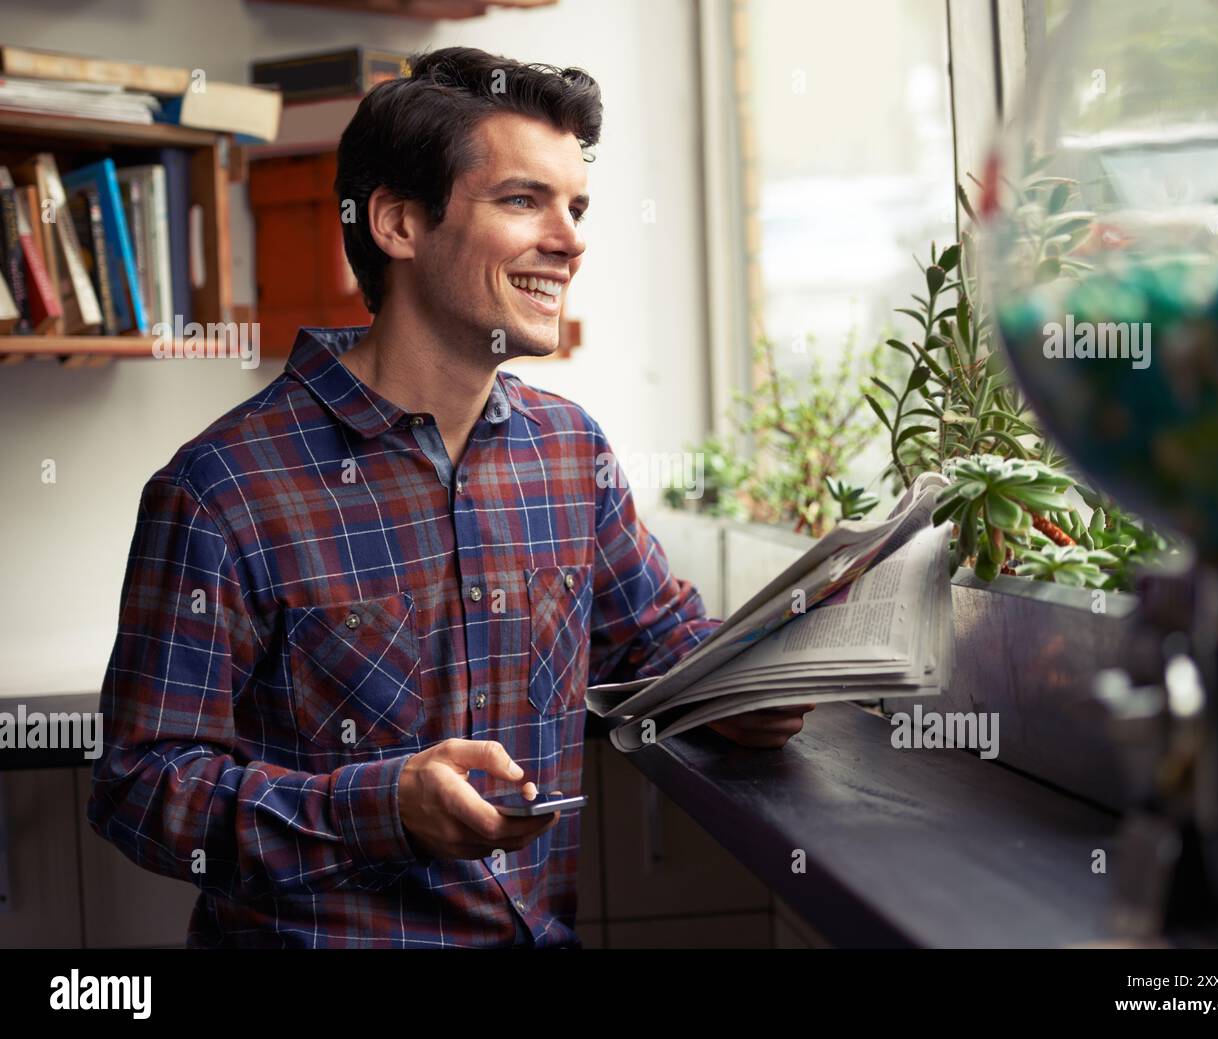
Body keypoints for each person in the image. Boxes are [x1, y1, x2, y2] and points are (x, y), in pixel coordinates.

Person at [89, 46, 814, 949]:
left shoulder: (570, 450)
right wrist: (381, 805)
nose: (571, 238)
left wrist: (760, 684)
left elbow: (661, 648)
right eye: (523, 200)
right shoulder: (222, 488)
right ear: (397, 222)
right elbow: (141, 785)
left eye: (576, 206)